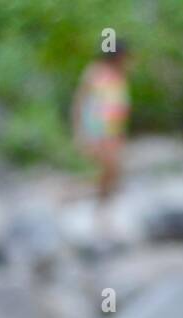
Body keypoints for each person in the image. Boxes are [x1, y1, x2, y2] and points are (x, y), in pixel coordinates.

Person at [72, 41, 131, 204]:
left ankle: (100, 204)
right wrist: (79, 132)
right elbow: (80, 102)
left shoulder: (119, 75)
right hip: (97, 130)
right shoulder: (94, 72)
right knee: (108, 169)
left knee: (113, 171)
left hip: (113, 130)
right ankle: (88, 199)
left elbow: (120, 105)